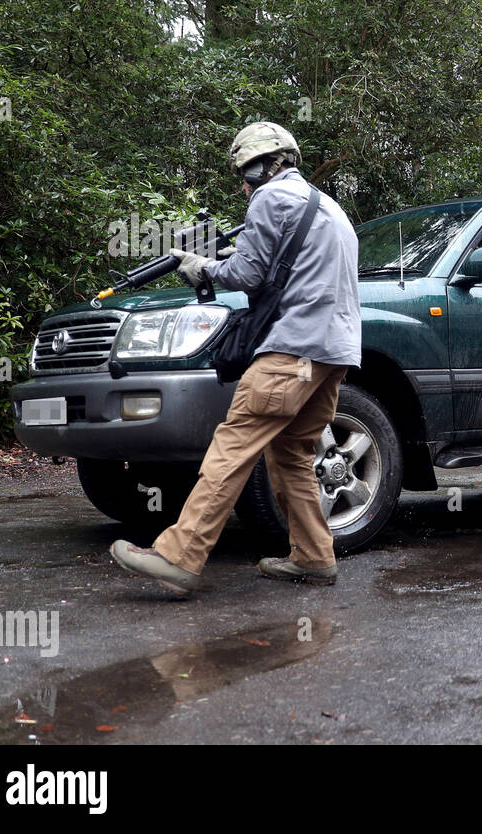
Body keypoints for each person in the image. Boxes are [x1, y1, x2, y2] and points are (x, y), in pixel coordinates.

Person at [109, 121, 361, 597]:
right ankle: (314, 556)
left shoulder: (270, 199)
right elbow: (285, 269)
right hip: (333, 355)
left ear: (272, 163)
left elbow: (247, 275)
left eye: (248, 170)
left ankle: (178, 556)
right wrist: (230, 255)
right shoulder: (330, 208)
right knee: (290, 453)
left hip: (291, 350)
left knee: (233, 445)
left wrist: (204, 265)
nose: (244, 183)